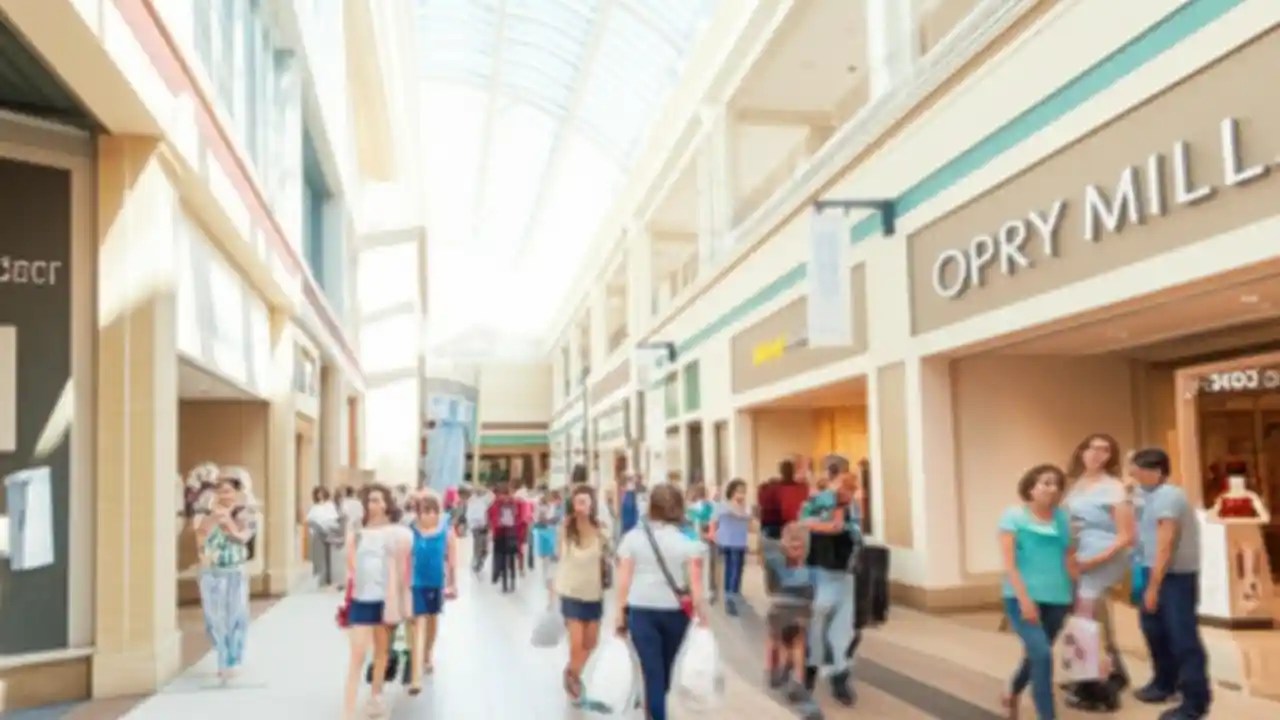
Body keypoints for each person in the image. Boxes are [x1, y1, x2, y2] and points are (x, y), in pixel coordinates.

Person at [614, 483, 707, 720]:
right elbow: (695, 582)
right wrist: (701, 613)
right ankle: (655, 708)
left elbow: (623, 580)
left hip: (641, 611)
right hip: (676, 614)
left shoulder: (633, 538)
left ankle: (653, 708)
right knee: (664, 671)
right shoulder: (687, 539)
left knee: (653, 672)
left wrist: (619, 613)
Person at [1130, 448, 1210, 720]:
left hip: (1174, 576)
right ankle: (1164, 683)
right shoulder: (1147, 496)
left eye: (1137, 470)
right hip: (1151, 571)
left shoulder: (1169, 496)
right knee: (1154, 629)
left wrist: (1154, 586)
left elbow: (1165, 544)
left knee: (1182, 637)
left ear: (1155, 471)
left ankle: (1194, 702)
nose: (1132, 475)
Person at [999, 464, 1076, 720]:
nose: (1052, 488)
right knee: (1042, 654)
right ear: (1031, 488)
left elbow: (1068, 558)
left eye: (1056, 484)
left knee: (1036, 655)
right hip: (1022, 597)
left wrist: (1078, 595)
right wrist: (1024, 600)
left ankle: (1013, 691)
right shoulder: (1013, 516)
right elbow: (1009, 564)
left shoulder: (1062, 519)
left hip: (1058, 597)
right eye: (1045, 483)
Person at [1062, 433, 1134, 708]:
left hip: (1103, 554)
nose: (1096, 454)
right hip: (1078, 554)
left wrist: (1093, 560)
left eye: (1104, 450)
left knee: (1086, 616)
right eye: (1091, 448)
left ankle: (1095, 685)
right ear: (1081, 451)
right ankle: (1103, 672)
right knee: (1087, 616)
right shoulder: (1077, 484)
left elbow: (1125, 536)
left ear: (1110, 457)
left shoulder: (1113, 487)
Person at [342, 484, 413, 720]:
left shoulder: (397, 533)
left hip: (386, 600)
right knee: (357, 654)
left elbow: (403, 565)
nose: (374, 504)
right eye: (370, 500)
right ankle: (349, 709)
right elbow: (351, 567)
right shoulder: (357, 533)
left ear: (387, 504)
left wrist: (402, 600)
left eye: (378, 500)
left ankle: (375, 696)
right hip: (361, 599)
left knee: (381, 651)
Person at [800, 471, 859, 706]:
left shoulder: (851, 508)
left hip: (844, 573)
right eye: (843, 488)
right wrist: (829, 524)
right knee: (817, 626)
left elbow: (847, 530)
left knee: (842, 631)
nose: (846, 494)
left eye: (850, 490)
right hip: (820, 572)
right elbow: (805, 522)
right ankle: (810, 674)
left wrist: (835, 523)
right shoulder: (818, 503)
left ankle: (839, 677)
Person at [194, 475, 256, 684]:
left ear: (236, 494)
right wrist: (213, 520)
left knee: (236, 616)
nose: (225, 496)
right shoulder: (206, 517)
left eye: (229, 491)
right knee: (214, 620)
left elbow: (243, 537)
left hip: (235, 571)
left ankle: (230, 660)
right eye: (221, 492)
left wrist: (228, 522)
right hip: (211, 574)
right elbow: (201, 540)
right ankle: (222, 655)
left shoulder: (244, 515)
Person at [554, 484, 609, 704]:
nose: (582, 506)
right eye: (578, 502)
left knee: (591, 642)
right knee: (576, 642)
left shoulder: (600, 529)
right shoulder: (567, 528)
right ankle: (574, 679)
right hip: (571, 591)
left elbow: (610, 553)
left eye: (586, 502)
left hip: (594, 592)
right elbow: (560, 553)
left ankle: (572, 671)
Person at [762, 522, 822, 720]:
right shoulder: (809, 569)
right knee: (793, 642)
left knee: (785, 640)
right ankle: (793, 677)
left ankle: (777, 671)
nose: (796, 550)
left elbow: (770, 588)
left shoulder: (775, 562)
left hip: (786, 610)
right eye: (794, 546)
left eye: (799, 546)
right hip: (793, 610)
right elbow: (814, 592)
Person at [406, 490, 456, 694]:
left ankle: (427, 653)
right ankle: (415, 678)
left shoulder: (446, 530)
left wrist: (453, 583)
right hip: (415, 583)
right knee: (419, 623)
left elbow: (452, 558)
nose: (428, 516)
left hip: (436, 582)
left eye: (432, 511)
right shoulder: (410, 530)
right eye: (423, 512)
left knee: (432, 622)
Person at [710, 479, 751, 616]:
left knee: (739, 569)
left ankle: (735, 593)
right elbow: (716, 520)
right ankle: (729, 599)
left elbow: (750, 519)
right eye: (739, 491)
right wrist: (713, 534)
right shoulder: (724, 505)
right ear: (732, 491)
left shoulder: (744, 506)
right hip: (728, 542)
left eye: (744, 491)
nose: (742, 494)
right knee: (731, 570)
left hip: (741, 541)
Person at [488, 483, 523, 592]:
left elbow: (519, 516)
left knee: (504, 557)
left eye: (504, 494)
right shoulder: (500, 504)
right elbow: (491, 516)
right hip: (505, 533)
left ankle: (507, 578)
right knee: (504, 557)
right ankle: (505, 578)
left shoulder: (510, 503)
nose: (503, 497)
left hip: (506, 533)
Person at [465, 484, 493, 573]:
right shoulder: (471, 500)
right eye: (477, 491)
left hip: (484, 526)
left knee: (485, 549)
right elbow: (469, 515)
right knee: (477, 547)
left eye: (480, 491)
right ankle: (475, 564)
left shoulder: (484, 500)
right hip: (476, 527)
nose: (479, 492)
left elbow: (492, 497)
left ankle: (479, 562)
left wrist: (486, 490)